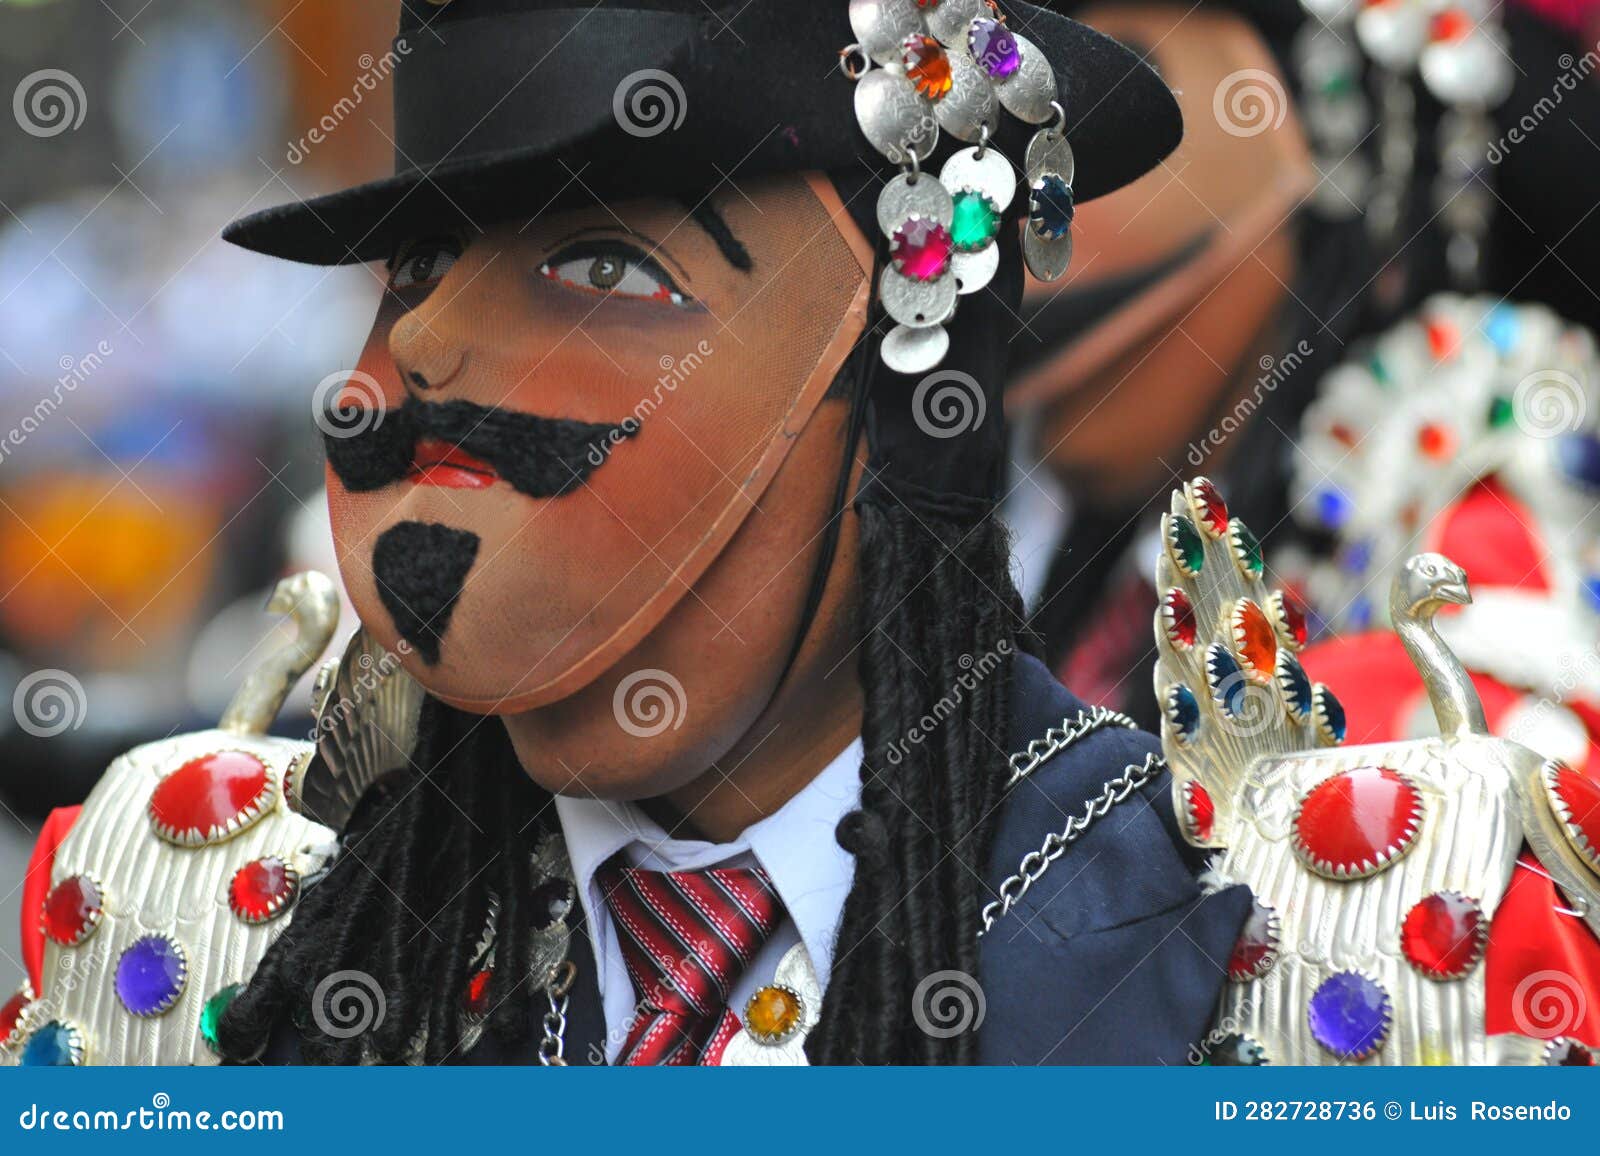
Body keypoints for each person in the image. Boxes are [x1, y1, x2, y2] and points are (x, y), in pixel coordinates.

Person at [4, 0, 1249, 1067]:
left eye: (607, 271)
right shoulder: (206, 928)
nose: (426, 342)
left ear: (906, 391)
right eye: (419, 265)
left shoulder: (1257, 953)